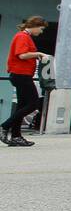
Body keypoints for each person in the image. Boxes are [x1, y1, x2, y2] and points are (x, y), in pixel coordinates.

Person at [3, 16, 51, 147]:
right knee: (33, 103)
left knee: (21, 106)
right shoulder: (22, 37)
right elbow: (22, 55)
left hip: (21, 75)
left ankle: (16, 136)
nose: (41, 32)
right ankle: (4, 126)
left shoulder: (24, 37)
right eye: (41, 29)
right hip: (21, 75)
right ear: (35, 26)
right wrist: (38, 54)